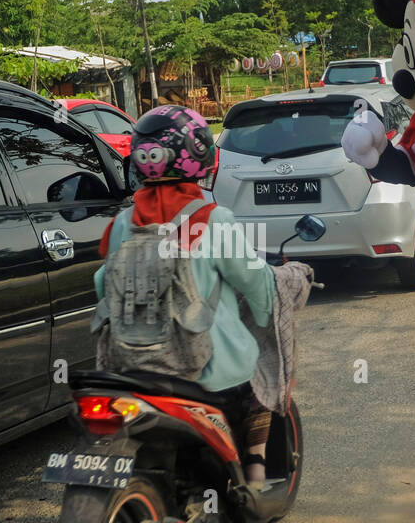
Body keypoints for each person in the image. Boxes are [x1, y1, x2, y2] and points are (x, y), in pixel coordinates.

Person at [94, 105, 279, 489]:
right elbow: (252, 278)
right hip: (203, 370)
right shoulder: (212, 218)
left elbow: (102, 284)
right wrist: (266, 314)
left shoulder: (124, 222)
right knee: (261, 369)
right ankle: (257, 469)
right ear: (200, 158)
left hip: (128, 365)